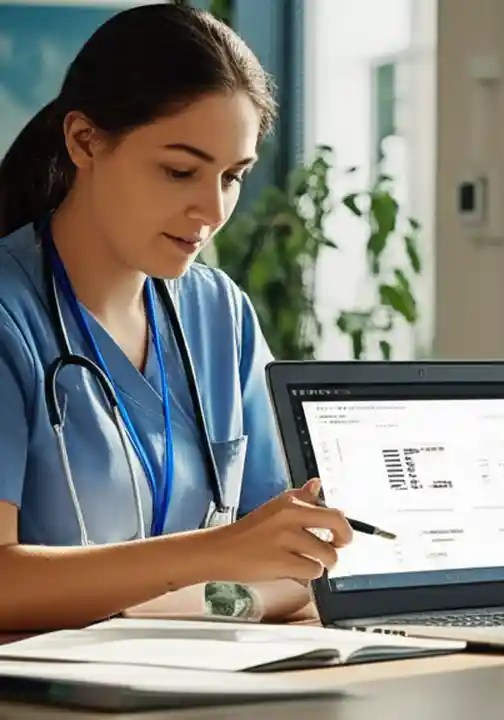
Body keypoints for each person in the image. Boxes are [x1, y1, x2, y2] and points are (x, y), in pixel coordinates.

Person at [0, 4, 353, 631]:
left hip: (204, 677)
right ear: (84, 141)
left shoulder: (222, 316)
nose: (212, 209)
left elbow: (300, 559)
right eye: (180, 171)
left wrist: (219, 598)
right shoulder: (11, 315)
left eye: (233, 177)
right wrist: (219, 556)